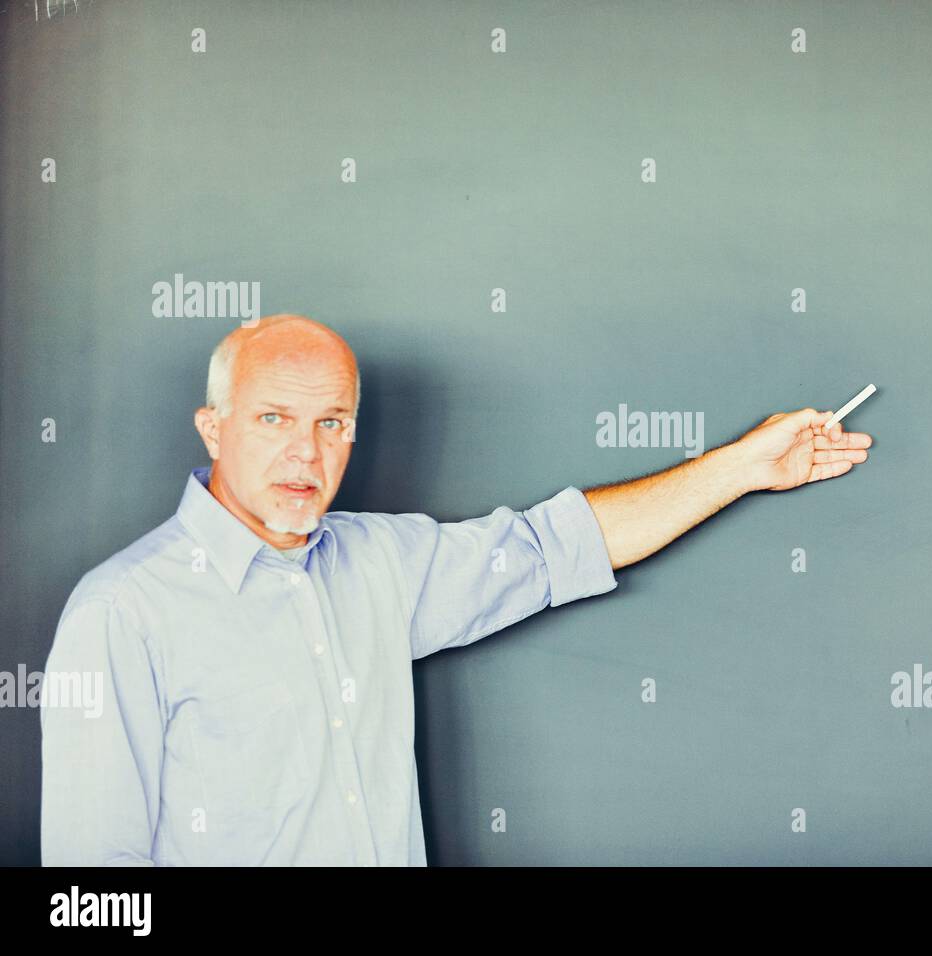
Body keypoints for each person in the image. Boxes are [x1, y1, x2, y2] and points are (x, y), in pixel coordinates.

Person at [39, 313, 872, 865]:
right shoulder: (122, 612)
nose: (306, 454)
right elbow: (89, 895)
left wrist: (743, 466)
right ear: (213, 426)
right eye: (273, 420)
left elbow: (556, 549)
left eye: (331, 423)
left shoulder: (381, 563)